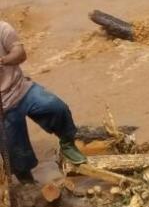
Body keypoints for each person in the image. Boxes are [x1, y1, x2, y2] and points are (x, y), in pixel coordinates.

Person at [0, 18, 88, 183]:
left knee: (56, 107)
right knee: (15, 152)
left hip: (20, 88)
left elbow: (20, 53)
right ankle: (28, 184)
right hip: (2, 107)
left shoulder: (2, 28)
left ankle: (68, 145)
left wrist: (3, 60)